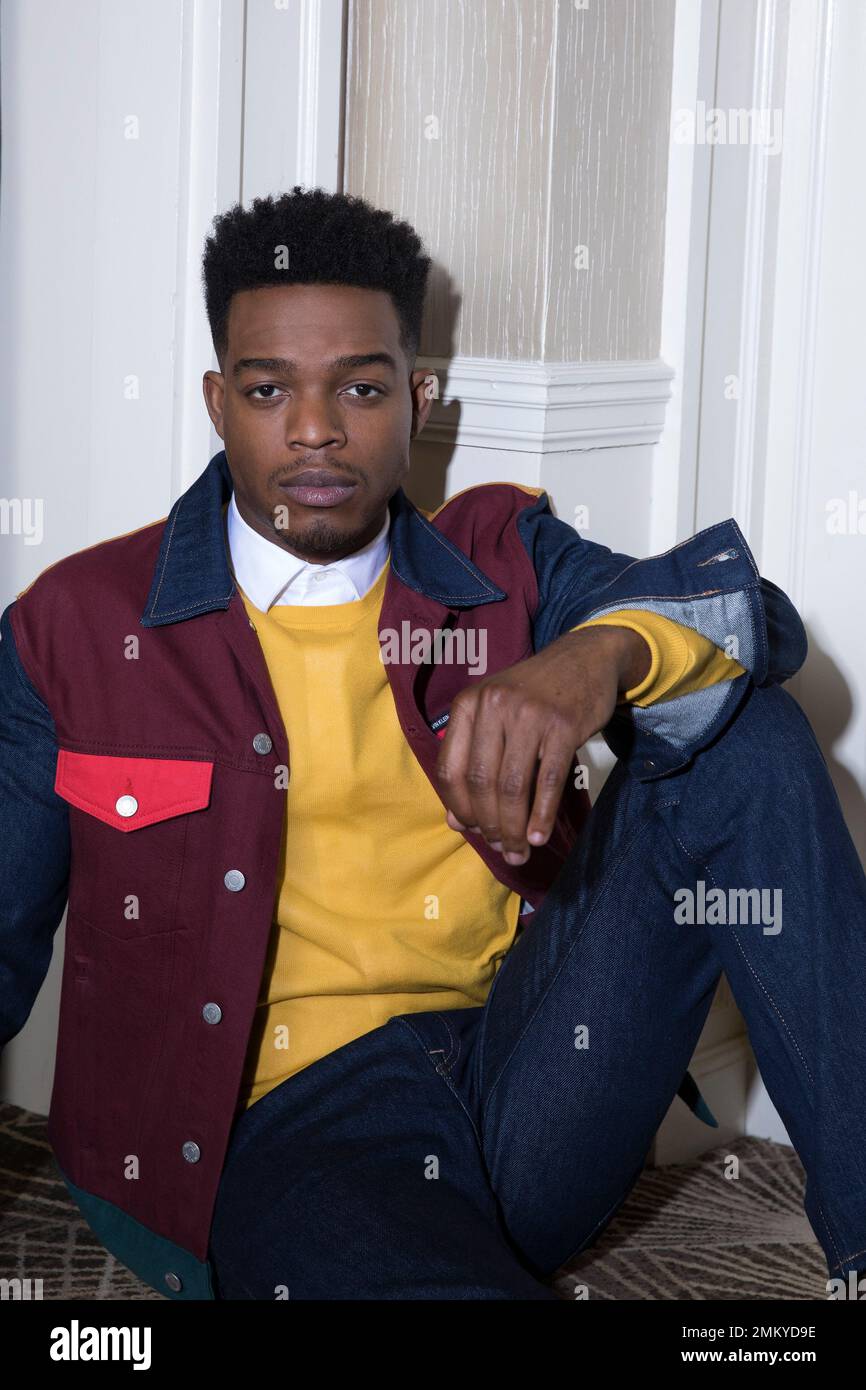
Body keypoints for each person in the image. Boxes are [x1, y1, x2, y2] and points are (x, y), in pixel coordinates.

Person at [1, 187, 863, 1301]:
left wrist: (594, 659)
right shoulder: (76, 625)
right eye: (268, 391)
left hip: (527, 1075)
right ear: (218, 403)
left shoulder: (499, 555)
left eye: (359, 387)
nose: (314, 427)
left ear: (415, 397)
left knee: (737, 730)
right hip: (281, 1122)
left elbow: (758, 621)